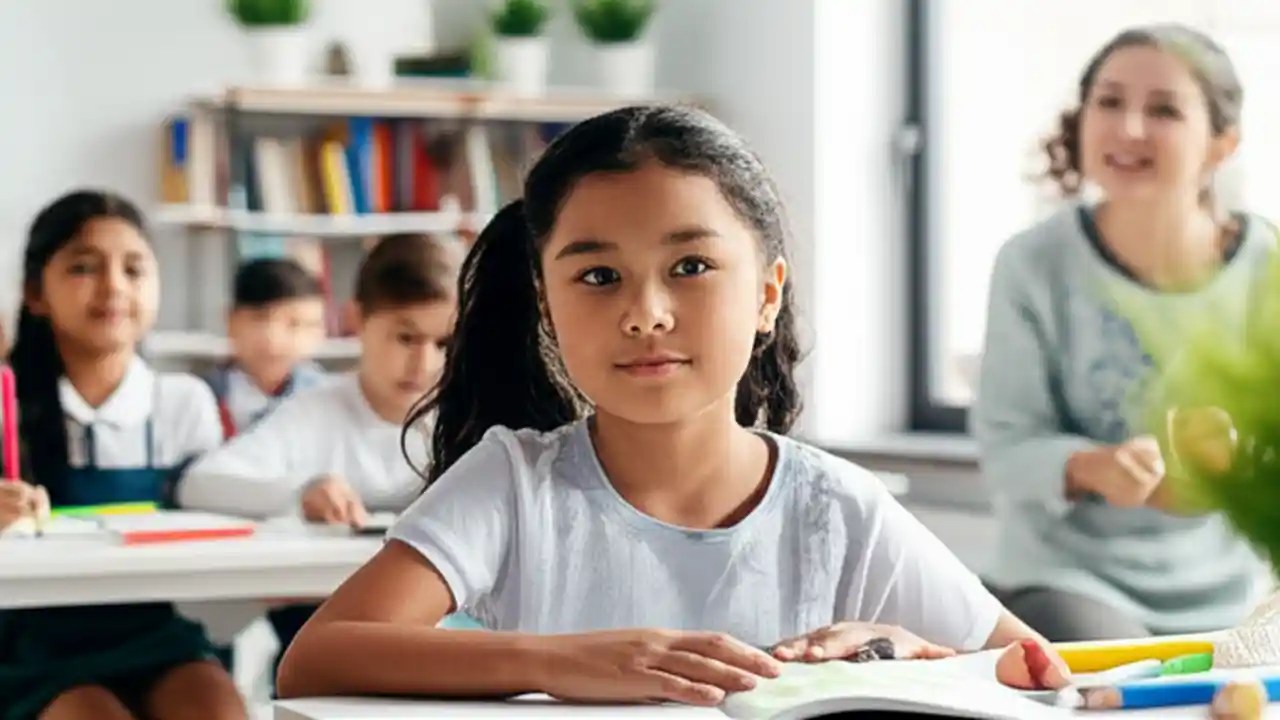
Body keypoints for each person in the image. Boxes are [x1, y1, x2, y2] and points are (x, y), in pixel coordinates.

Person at [274, 105, 1067, 705]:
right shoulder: (515, 483)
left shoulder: (839, 508)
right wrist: (563, 664)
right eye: (597, 276)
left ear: (765, 294)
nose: (645, 312)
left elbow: (1035, 673)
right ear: (546, 307)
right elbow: (319, 654)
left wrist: (905, 652)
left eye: (689, 266)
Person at [972, 24, 1273, 642]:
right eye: (1109, 102)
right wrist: (1092, 467)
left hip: (1240, 592)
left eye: (1163, 110)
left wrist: (1238, 468)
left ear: (1222, 144)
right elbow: (1006, 450)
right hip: (1066, 581)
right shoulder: (1032, 264)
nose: (1129, 127)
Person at [178, 233, 463, 686]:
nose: (424, 363)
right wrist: (302, 489)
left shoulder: (471, 423)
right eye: (405, 337)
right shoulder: (315, 411)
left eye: (445, 343)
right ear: (356, 321)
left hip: (441, 635)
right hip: (327, 638)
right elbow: (199, 482)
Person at [0, 190, 244, 719]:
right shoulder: (6, 403)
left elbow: (219, 509)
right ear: (35, 294)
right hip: (29, 645)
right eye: (84, 267)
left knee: (219, 710)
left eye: (134, 268)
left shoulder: (184, 402)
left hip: (153, 633)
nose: (114, 286)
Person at [205, 258, 327, 439]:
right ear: (230, 321)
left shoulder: (328, 400)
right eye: (259, 319)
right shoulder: (202, 398)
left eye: (294, 324)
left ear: (319, 331)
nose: (273, 338)